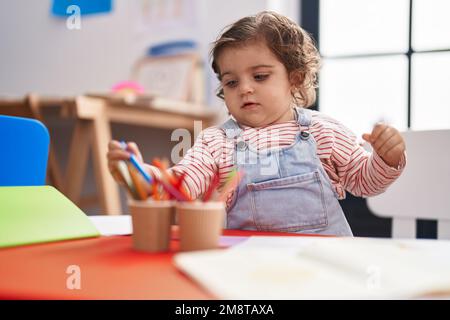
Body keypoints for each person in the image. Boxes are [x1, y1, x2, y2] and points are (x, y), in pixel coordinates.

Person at [107, 11, 406, 236]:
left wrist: (386, 158)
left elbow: (364, 182)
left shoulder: (322, 131)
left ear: (295, 77)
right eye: (232, 82)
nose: (245, 88)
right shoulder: (217, 142)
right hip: (250, 271)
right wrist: (140, 174)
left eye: (260, 76)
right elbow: (183, 186)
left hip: (326, 270)